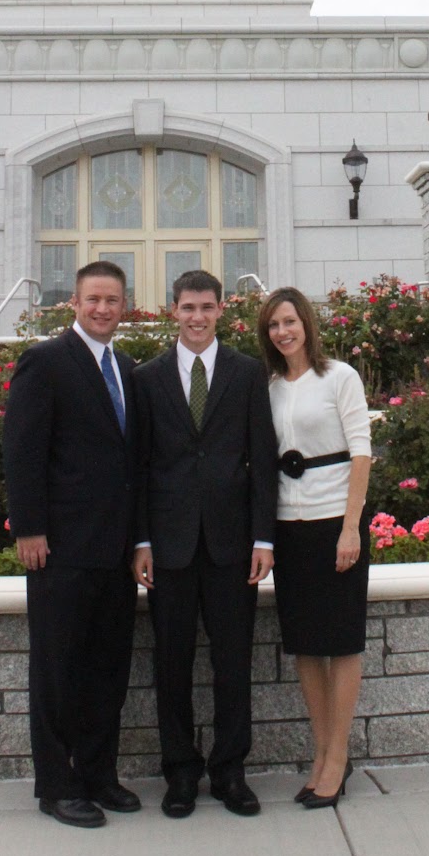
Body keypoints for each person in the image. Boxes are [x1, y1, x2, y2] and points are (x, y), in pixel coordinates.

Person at [133, 270, 278, 818]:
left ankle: (230, 771)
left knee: (233, 661)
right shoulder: (147, 378)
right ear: (173, 309)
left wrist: (264, 537)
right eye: (188, 307)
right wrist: (141, 540)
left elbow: (263, 459)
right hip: (168, 546)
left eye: (207, 307)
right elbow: (139, 466)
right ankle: (180, 772)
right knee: (171, 663)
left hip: (232, 545)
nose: (197, 317)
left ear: (222, 310)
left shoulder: (248, 373)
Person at [3, 260, 141, 829]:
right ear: (75, 304)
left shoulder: (127, 368)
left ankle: (99, 775)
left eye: (112, 300)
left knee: (108, 670)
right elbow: (22, 450)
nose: (102, 309)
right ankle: (57, 786)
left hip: (116, 550)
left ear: (124, 306)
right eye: (93, 299)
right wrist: (29, 528)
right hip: (60, 548)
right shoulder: (46, 361)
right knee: (59, 671)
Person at [256, 286, 372, 809]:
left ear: (305, 323)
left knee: (341, 643)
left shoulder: (339, 377)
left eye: (289, 321)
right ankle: (321, 752)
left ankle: (339, 756)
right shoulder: (269, 387)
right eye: (273, 325)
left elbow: (361, 453)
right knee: (305, 645)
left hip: (333, 524)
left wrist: (351, 527)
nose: (283, 332)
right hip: (289, 526)